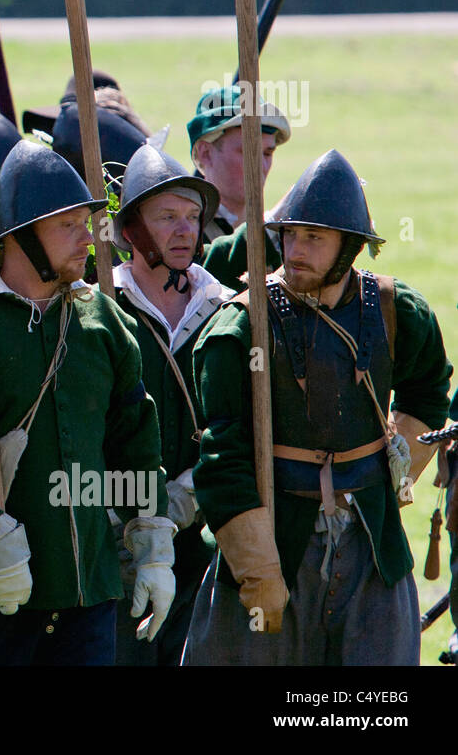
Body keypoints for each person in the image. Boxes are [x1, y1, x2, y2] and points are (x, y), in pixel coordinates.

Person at [0, 140, 172, 666]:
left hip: (86, 599)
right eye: (67, 226)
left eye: (86, 223)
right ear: (21, 237)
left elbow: (135, 445)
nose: (87, 240)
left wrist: (153, 547)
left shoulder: (106, 325)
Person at [184, 149, 452, 665]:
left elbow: (428, 388)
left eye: (314, 238)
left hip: (371, 541)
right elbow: (222, 457)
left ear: (349, 246)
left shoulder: (399, 311)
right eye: (289, 234)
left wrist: (399, 468)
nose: (295, 249)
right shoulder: (241, 327)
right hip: (276, 540)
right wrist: (256, 567)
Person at [109, 145, 228, 665]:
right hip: (110, 546)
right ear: (133, 230)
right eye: (166, 217)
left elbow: (234, 428)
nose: (185, 231)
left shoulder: (223, 309)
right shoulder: (97, 307)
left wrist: (187, 496)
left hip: (197, 542)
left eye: (193, 217)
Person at [189, 85, 291, 291]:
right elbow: (202, 276)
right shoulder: (184, 231)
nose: (261, 167)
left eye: (267, 153)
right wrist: (272, 223)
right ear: (205, 153)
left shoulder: (285, 239)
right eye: (248, 152)